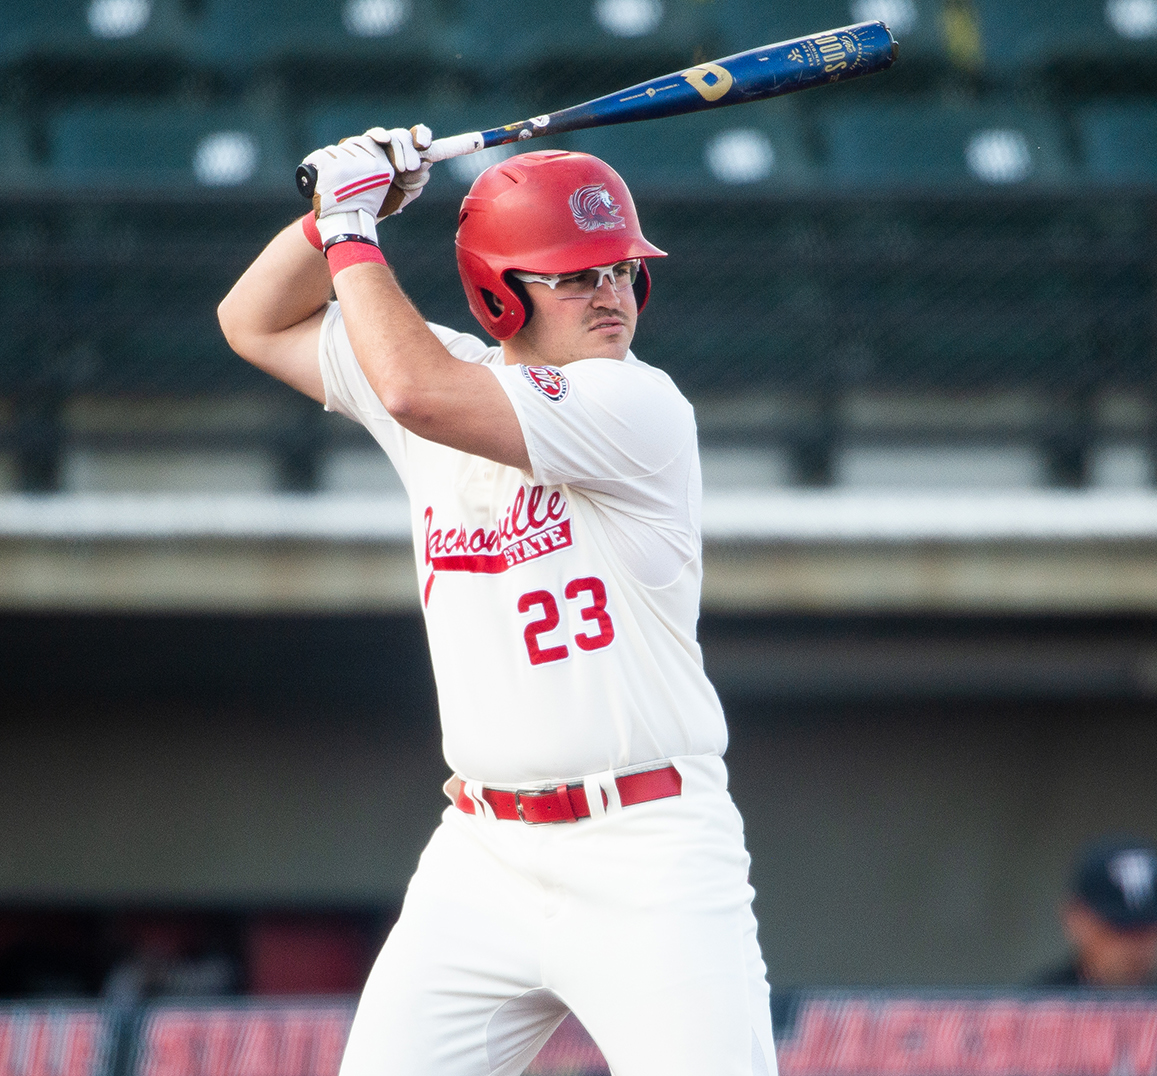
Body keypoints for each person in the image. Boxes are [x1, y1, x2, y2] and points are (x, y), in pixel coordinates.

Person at [215, 128, 777, 1076]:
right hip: (483, 854)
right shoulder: (445, 371)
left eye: (620, 271)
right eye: (574, 275)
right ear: (498, 291)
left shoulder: (639, 406)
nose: (610, 294)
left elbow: (415, 391)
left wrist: (353, 225)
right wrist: (332, 221)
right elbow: (251, 321)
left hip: (647, 850)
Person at [1034, 836, 1157, 988]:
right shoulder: (1032, 1008)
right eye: (1120, 927)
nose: (1136, 947)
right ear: (1075, 919)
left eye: (1149, 929)